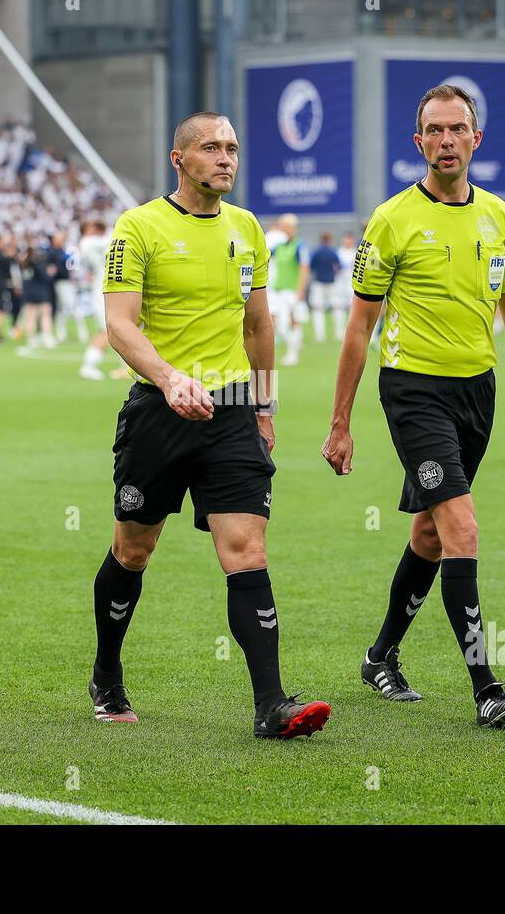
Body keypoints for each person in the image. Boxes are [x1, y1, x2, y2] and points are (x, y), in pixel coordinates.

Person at [321, 84, 505, 728]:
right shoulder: (391, 220)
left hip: (477, 392)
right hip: (413, 391)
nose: (447, 140)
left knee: (430, 534)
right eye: (435, 130)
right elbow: (358, 330)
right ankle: (485, 686)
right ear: (419, 141)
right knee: (462, 529)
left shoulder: (500, 218)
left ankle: (380, 656)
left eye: (458, 129)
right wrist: (340, 423)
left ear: (476, 139)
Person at [92, 110, 330, 739]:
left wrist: (264, 403)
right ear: (180, 160)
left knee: (246, 549)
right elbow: (119, 324)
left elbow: (258, 325)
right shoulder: (137, 227)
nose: (226, 158)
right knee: (134, 550)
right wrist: (171, 379)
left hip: (230, 412)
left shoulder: (249, 230)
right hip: (156, 413)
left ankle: (271, 705)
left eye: (232, 147)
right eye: (210, 148)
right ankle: (107, 673)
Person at [264, 214, 310, 366]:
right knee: (275, 321)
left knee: (293, 321)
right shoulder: (279, 246)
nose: (282, 229)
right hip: (277, 289)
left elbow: (304, 269)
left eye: (285, 226)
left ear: (292, 228)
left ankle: (293, 353)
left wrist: (300, 291)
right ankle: (294, 347)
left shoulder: (299, 246)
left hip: (292, 290)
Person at [77, 219, 116, 380]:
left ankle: (129, 369)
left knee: (121, 330)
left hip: (109, 289)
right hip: (101, 291)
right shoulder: (87, 242)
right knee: (107, 330)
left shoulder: (99, 241)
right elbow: (115, 239)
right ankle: (89, 365)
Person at [16, 240, 56, 348]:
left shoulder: (23, 263)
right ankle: (47, 337)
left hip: (28, 292)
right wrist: (50, 274)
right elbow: (45, 277)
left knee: (30, 316)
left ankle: (31, 338)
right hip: (40, 292)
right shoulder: (37, 263)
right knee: (45, 314)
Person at [307, 232, 343, 343]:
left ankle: (320, 336)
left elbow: (311, 266)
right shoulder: (333, 252)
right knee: (337, 308)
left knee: (318, 310)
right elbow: (339, 266)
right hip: (332, 283)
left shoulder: (316, 252)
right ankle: (339, 334)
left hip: (318, 283)